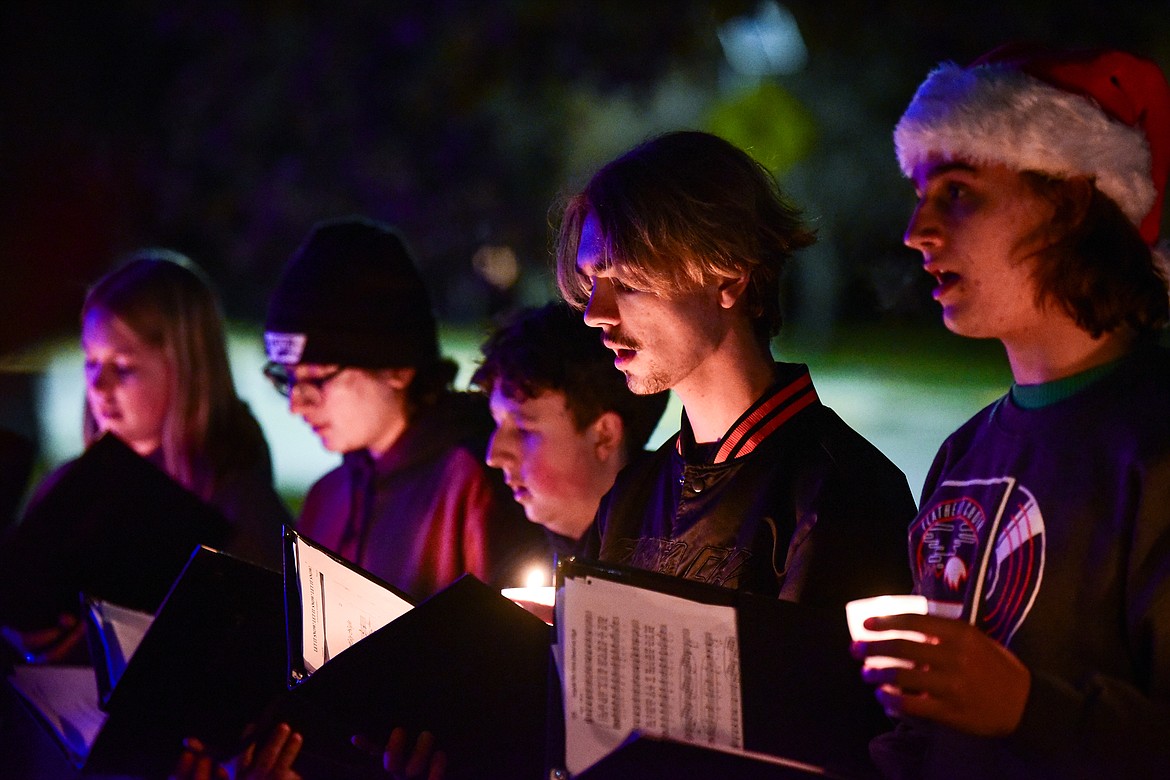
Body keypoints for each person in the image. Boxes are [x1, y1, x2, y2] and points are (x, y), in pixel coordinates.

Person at [852, 44, 1170, 778]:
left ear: (1070, 205)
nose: (916, 232)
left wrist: (1029, 709)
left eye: (958, 192)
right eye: (920, 195)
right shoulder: (963, 456)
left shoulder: (1154, 449)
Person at [554, 130, 917, 607]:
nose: (594, 313)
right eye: (590, 284)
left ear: (726, 276)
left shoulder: (843, 494)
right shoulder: (632, 494)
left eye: (625, 281)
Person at [1, 251, 290, 663]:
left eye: (123, 367)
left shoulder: (240, 509)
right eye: (91, 362)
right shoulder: (66, 489)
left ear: (186, 369)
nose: (99, 386)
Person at [263, 216, 548, 602]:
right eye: (287, 378)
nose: (295, 405)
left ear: (397, 368)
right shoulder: (327, 498)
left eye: (317, 378)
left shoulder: (473, 485)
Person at [470, 301, 670, 558]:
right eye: (497, 423)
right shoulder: (509, 552)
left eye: (523, 428)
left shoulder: (678, 556)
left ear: (604, 435)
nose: (494, 456)